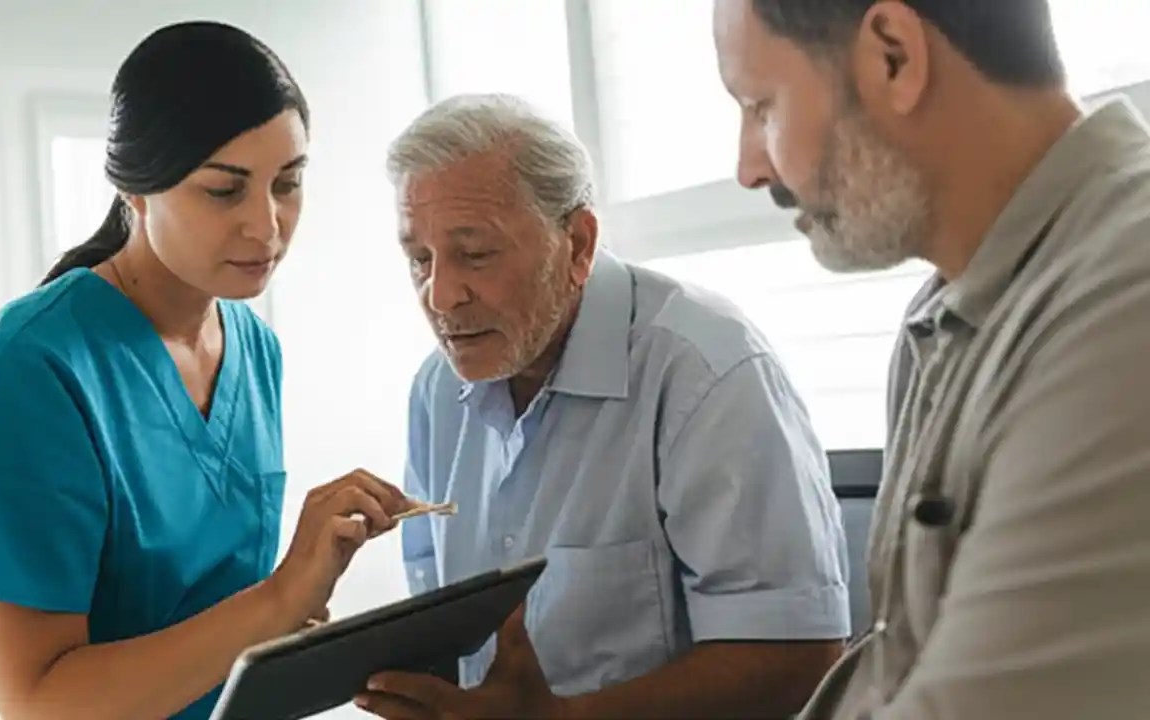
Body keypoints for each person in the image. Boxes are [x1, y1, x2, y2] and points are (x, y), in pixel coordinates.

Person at [0, 21, 409, 720]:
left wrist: (292, 634)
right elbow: (37, 705)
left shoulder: (252, 349)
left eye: (287, 183)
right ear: (134, 192)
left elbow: (208, 623)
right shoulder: (24, 373)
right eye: (224, 191)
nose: (268, 225)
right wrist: (279, 600)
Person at [713, 0, 1150, 717]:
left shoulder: (1126, 294)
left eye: (761, 106)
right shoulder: (943, 320)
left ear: (894, 56)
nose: (750, 168)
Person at [355, 93, 851, 720]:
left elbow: (800, 660)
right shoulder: (436, 389)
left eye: (475, 253)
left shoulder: (706, 371)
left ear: (579, 244)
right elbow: (445, 636)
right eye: (418, 260)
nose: (442, 294)